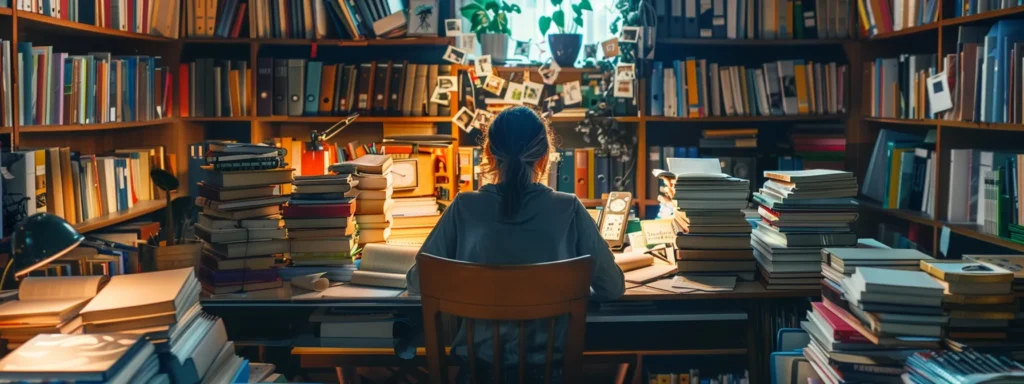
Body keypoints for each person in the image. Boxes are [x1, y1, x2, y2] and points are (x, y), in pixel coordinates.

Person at [406, 106, 626, 383]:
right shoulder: (568, 208)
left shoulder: (464, 207)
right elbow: (612, 288)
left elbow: (416, 282)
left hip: (476, 376)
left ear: (487, 153)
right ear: (545, 157)